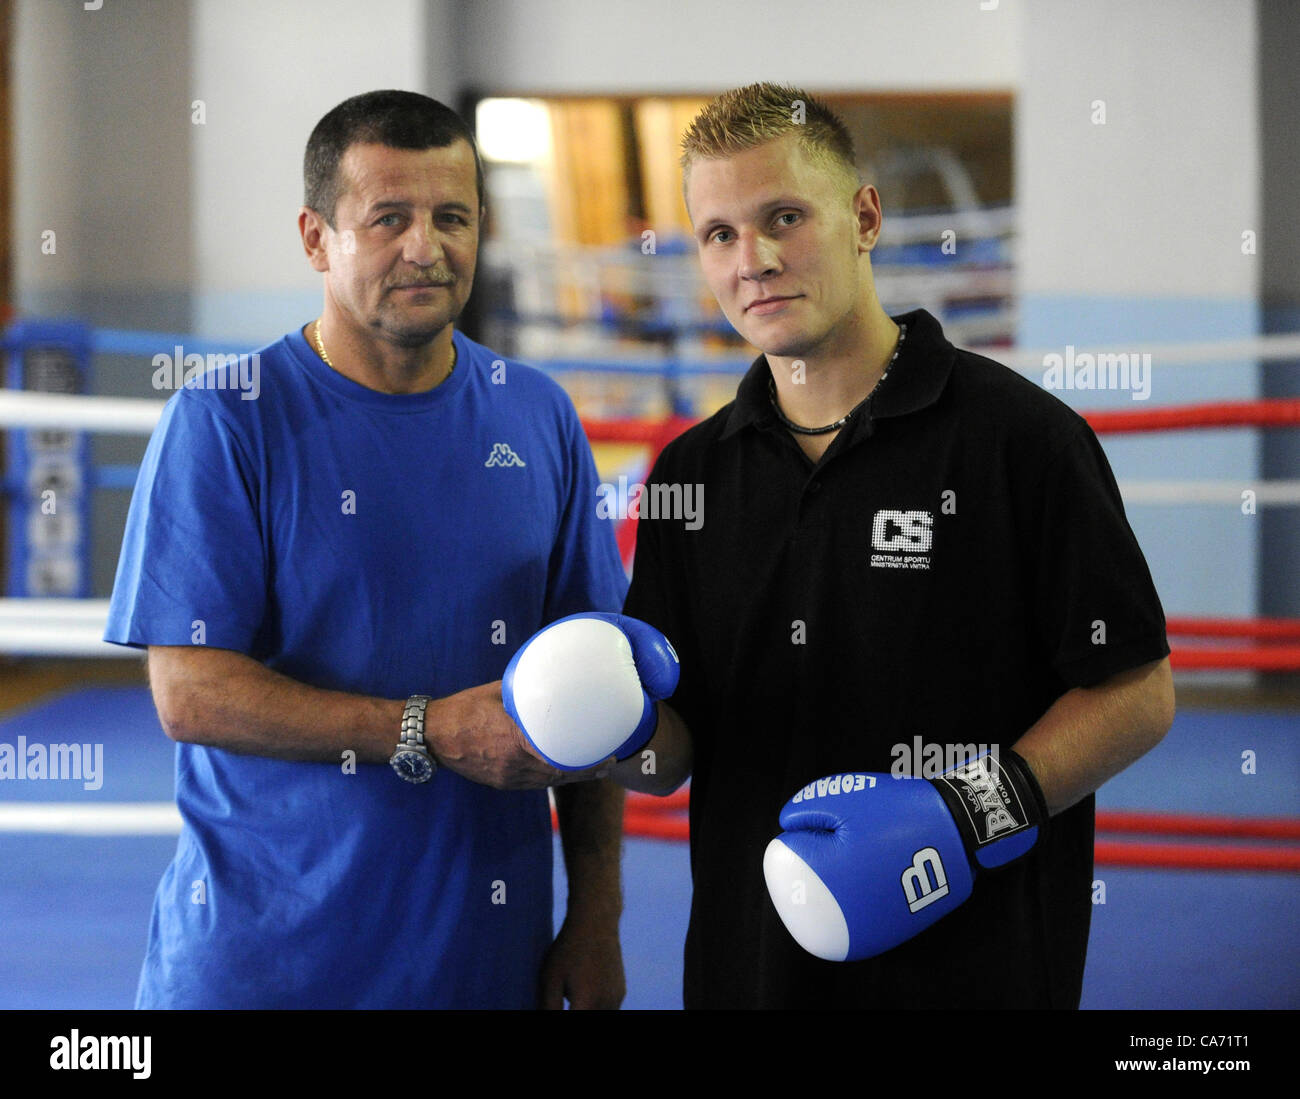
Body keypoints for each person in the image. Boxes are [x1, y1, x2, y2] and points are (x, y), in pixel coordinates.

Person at [617, 83, 1176, 1008]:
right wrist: (612, 725)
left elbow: (1137, 691)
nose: (752, 261)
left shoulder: (1021, 441)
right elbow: (670, 760)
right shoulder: (691, 472)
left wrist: (968, 814)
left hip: (977, 965)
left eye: (783, 217)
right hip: (751, 966)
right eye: (718, 234)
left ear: (864, 216)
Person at [104, 90, 629, 1010]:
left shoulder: (536, 413)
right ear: (316, 239)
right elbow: (187, 692)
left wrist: (595, 917)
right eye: (389, 217)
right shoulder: (225, 420)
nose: (425, 246)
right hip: (264, 965)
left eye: (451, 217)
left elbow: (594, 681)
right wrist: (426, 729)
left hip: (481, 962)